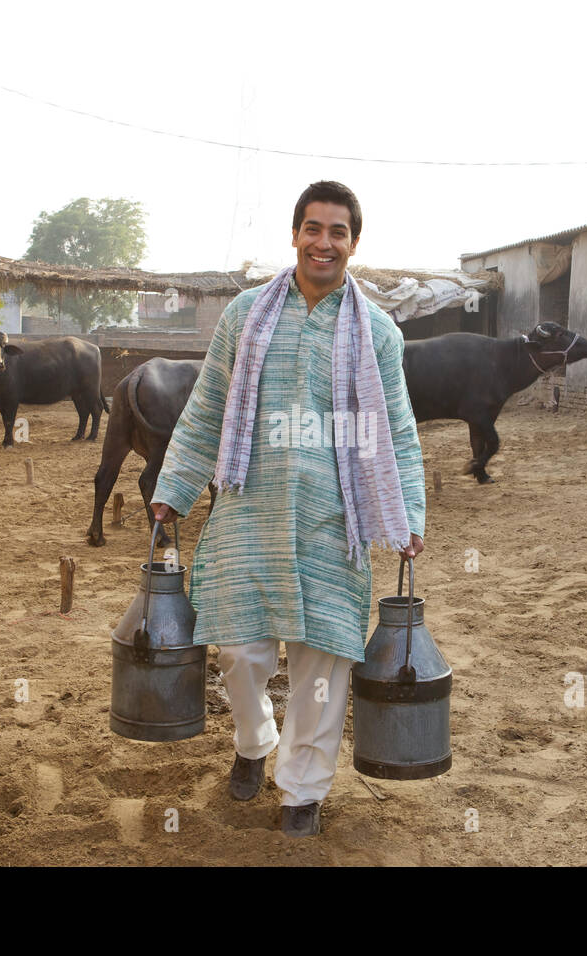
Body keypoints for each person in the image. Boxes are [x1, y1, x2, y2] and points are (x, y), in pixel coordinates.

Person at [149, 180, 426, 838]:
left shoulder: (379, 335)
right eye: (313, 228)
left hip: (335, 524)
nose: (323, 242)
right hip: (248, 511)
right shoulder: (246, 315)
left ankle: (303, 790)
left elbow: (398, 430)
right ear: (295, 235)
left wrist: (407, 516)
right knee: (241, 655)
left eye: (337, 232)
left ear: (353, 244)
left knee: (321, 665)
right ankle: (253, 742)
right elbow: (207, 407)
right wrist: (174, 487)